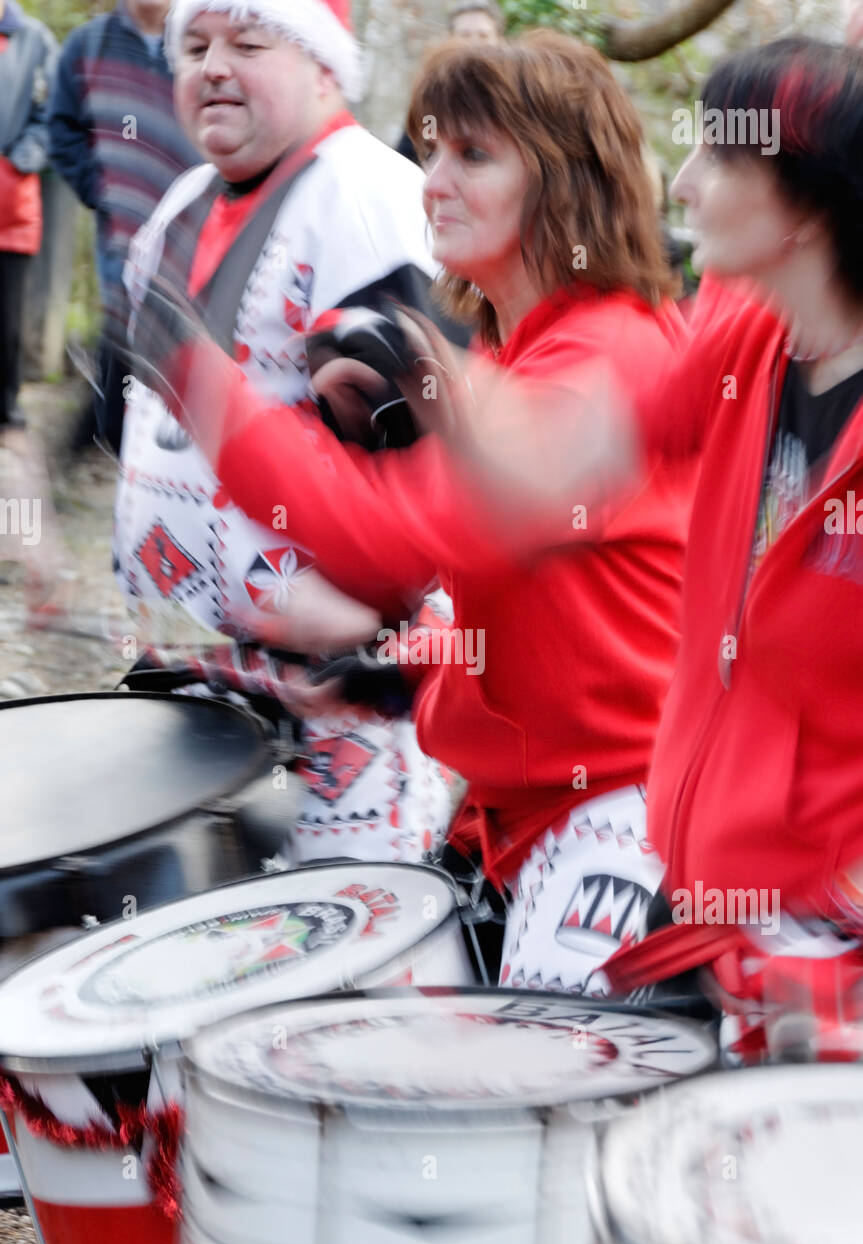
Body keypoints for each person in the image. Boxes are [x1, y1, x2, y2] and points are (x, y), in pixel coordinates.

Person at [132, 31, 697, 992]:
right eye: (430, 148)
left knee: (518, 1118)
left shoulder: (606, 362)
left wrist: (203, 383)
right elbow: (532, 620)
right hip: (526, 819)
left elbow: (386, 542)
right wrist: (399, 673)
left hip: (617, 821)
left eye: (472, 155)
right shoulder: (524, 356)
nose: (430, 178)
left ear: (567, 184)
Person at [113, 0, 460, 866]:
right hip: (198, 686)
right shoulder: (183, 201)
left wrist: (379, 634)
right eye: (194, 46)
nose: (213, 66)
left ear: (323, 66)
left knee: (339, 973)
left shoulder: (367, 204)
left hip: (336, 715)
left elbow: (431, 504)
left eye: (248, 41)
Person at [575, 37, 863, 1063]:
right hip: (699, 900)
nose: (680, 183)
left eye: (714, 156)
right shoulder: (745, 341)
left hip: (821, 962)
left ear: (804, 199)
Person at [48, 1, 199, 455]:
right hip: (122, 233)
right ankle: (112, 444)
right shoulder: (86, 47)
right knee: (124, 332)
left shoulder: (200, 40)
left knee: (189, 341)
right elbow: (62, 130)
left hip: (198, 231)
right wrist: (103, 190)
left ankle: (165, 450)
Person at [0, 0, 57, 429]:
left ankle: (6, 401)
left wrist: (20, 161)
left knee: (8, 318)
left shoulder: (34, 39)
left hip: (11, 204)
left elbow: (53, 114)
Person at [394, 0, 503, 165]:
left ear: (498, 40)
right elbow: (418, 149)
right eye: (465, 35)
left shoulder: (512, 92)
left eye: (483, 35)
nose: (474, 43)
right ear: (450, 39)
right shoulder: (433, 95)